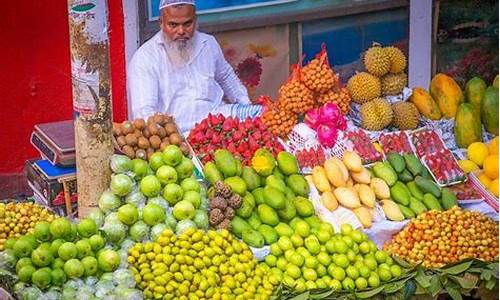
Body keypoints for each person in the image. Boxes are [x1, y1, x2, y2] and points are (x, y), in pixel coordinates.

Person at [127, 0, 261, 133]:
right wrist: (166, 138)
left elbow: (226, 77)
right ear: (161, 23)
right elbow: (144, 113)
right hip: (177, 132)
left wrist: (246, 106)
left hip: (219, 120)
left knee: (265, 116)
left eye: (187, 24)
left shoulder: (208, 43)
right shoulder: (145, 58)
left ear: (195, 20)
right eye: (173, 25)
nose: (181, 31)